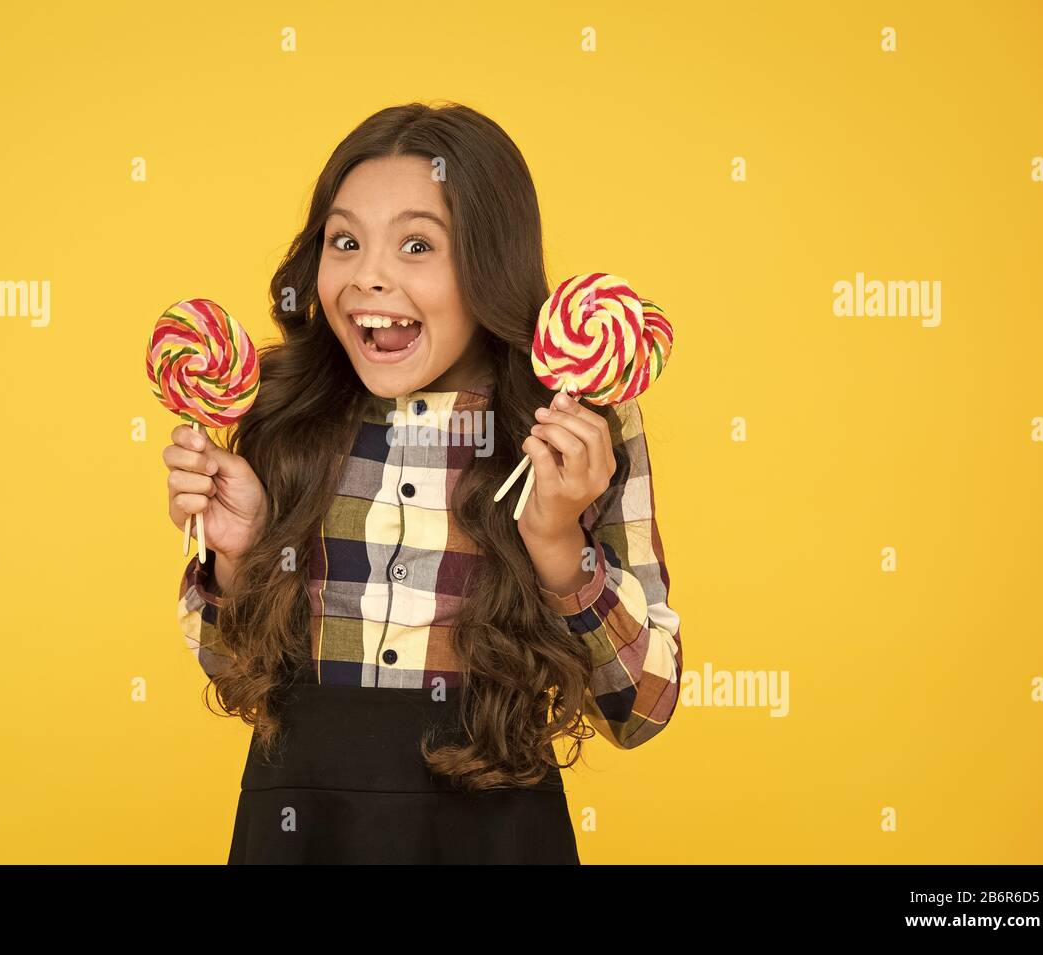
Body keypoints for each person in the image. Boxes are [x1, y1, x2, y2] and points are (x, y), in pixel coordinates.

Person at [163, 102, 683, 864]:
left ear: (490, 261)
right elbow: (237, 679)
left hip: (497, 834)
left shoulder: (576, 432)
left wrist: (558, 546)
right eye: (345, 241)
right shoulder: (287, 414)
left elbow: (642, 708)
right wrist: (238, 558)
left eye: (416, 244)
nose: (368, 276)